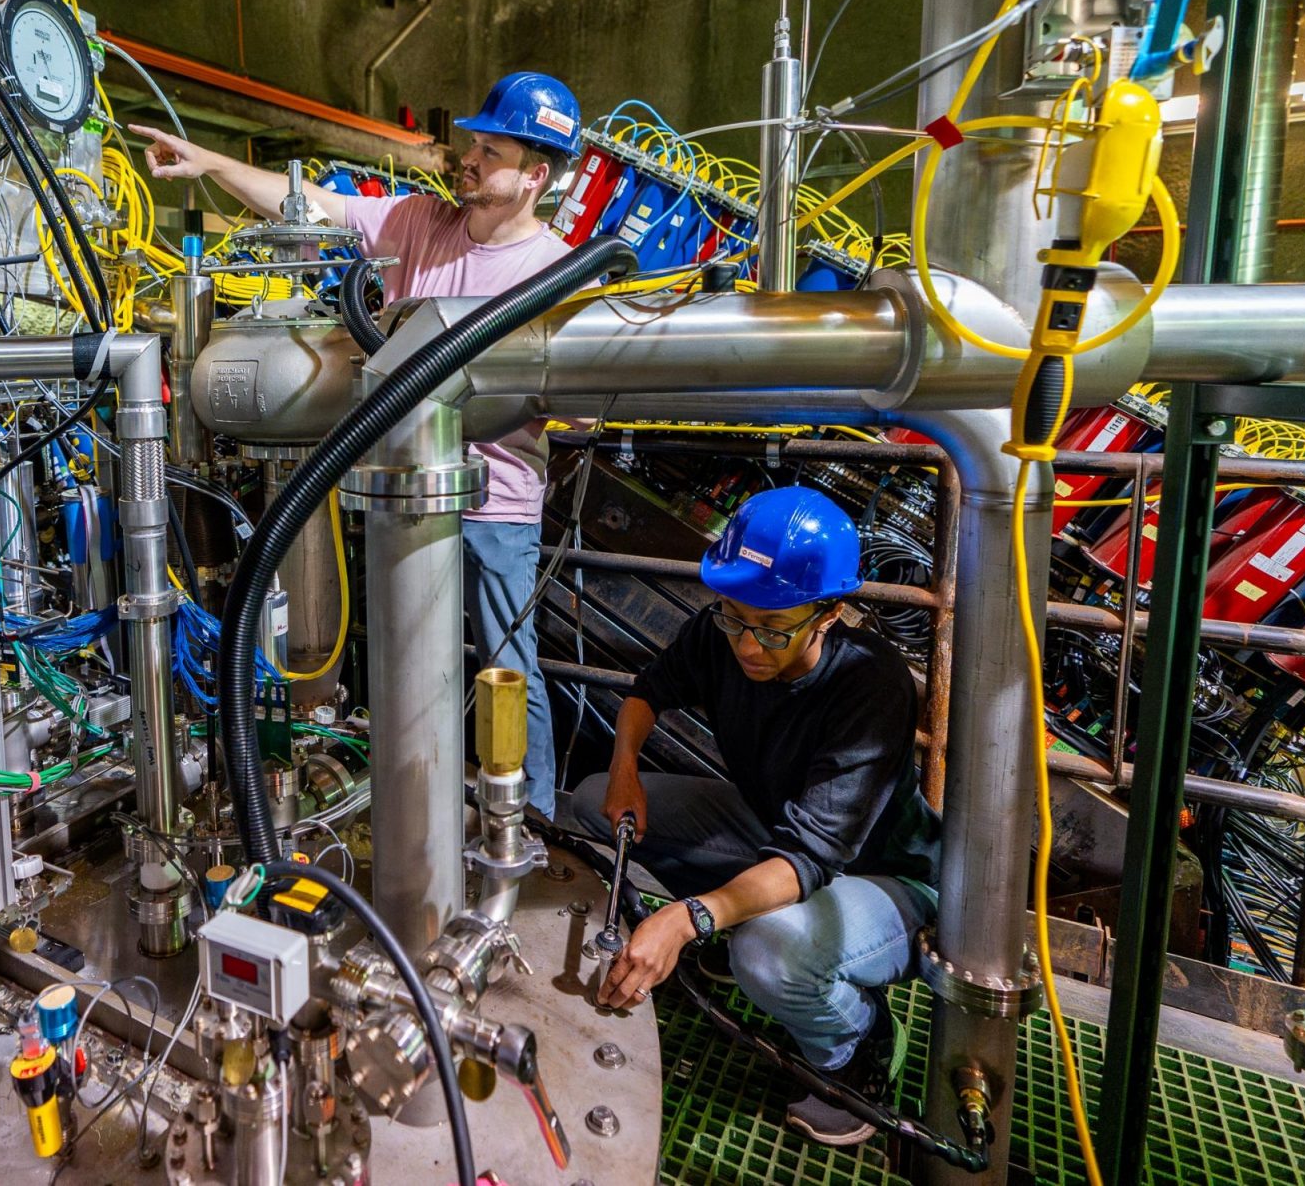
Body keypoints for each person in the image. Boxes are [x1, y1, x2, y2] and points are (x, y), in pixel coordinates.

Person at [133, 72, 583, 814]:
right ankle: (410, 804)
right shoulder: (419, 222)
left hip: (493, 504)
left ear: (534, 176)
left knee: (507, 664)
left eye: (489, 150)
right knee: (401, 660)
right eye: (471, 143)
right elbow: (312, 206)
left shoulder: (557, 272)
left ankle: (528, 820)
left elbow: (585, 405)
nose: (468, 159)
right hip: (396, 490)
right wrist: (212, 164)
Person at [568, 485, 943, 1148]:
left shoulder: (870, 684)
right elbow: (647, 694)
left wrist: (686, 918)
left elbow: (811, 858)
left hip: (886, 881)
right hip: (774, 829)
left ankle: (857, 1050)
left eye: (773, 629)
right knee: (592, 797)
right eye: (734, 617)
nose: (747, 644)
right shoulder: (727, 631)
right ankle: (737, 930)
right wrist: (626, 769)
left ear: (828, 615)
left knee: (767, 950)